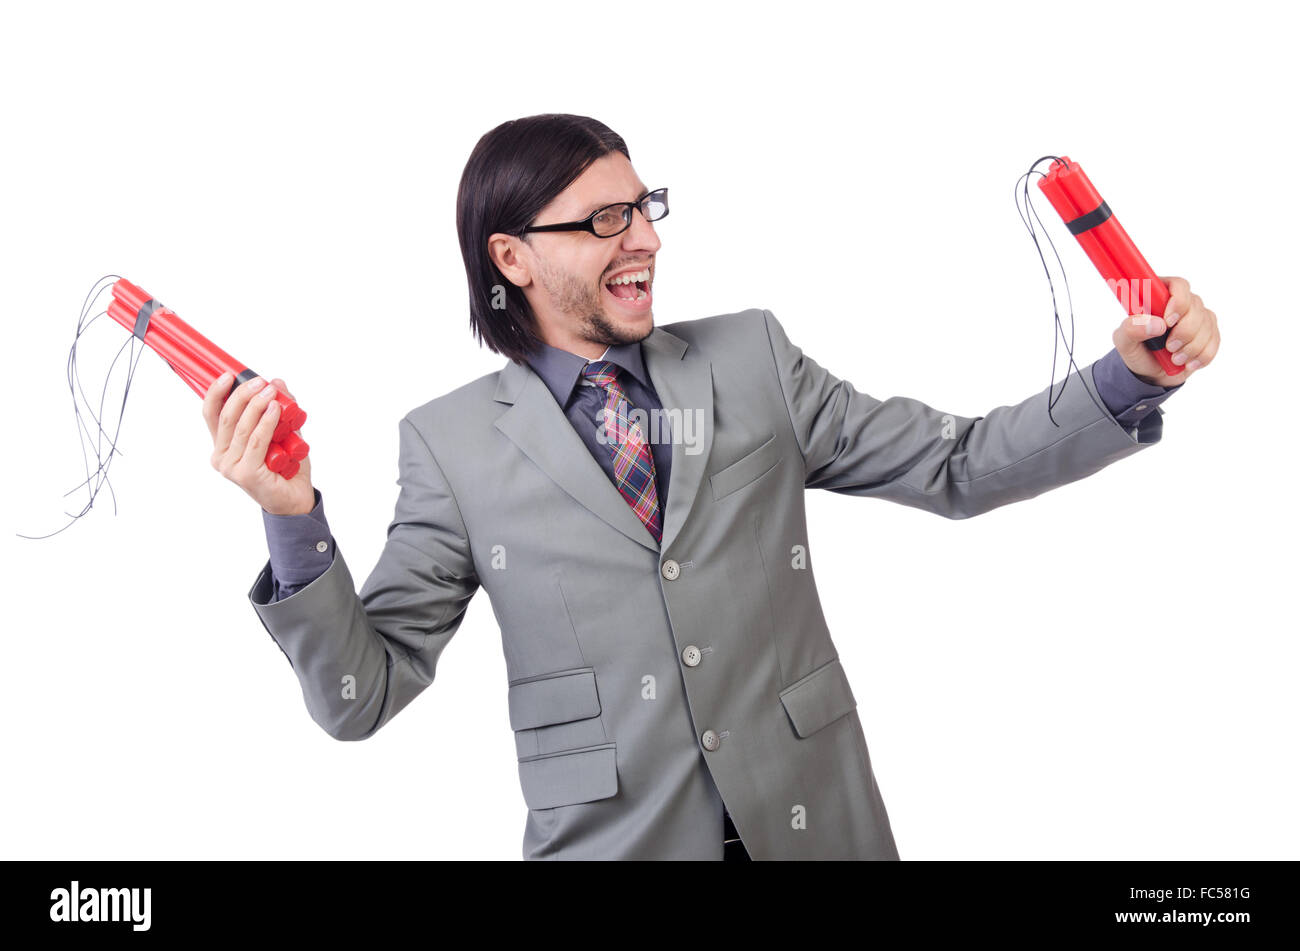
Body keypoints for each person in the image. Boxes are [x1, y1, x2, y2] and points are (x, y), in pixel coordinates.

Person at [202, 114, 1220, 860]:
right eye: (603, 220)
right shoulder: (451, 445)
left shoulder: (752, 361)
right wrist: (293, 522)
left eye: (643, 207)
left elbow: (954, 466)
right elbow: (360, 695)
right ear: (510, 256)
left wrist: (1131, 376)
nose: (643, 237)